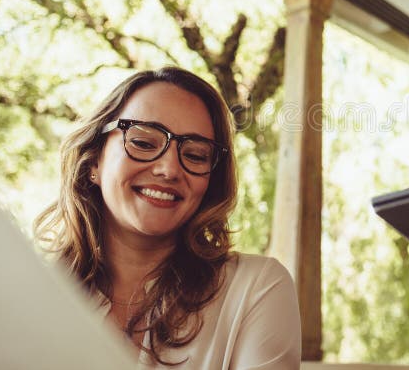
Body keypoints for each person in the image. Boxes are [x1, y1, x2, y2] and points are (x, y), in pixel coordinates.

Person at [35, 67, 301, 369]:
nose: (170, 170)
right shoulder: (28, 292)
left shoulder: (256, 288)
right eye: (144, 143)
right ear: (94, 160)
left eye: (196, 155)